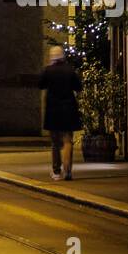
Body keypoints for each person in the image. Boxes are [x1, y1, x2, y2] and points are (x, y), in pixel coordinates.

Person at [39, 46, 82, 181]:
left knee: (55, 142)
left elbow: (41, 85)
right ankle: (68, 170)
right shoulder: (70, 70)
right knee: (68, 140)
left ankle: (56, 171)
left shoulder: (48, 70)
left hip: (53, 109)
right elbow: (78, 87)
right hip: (68, 108)